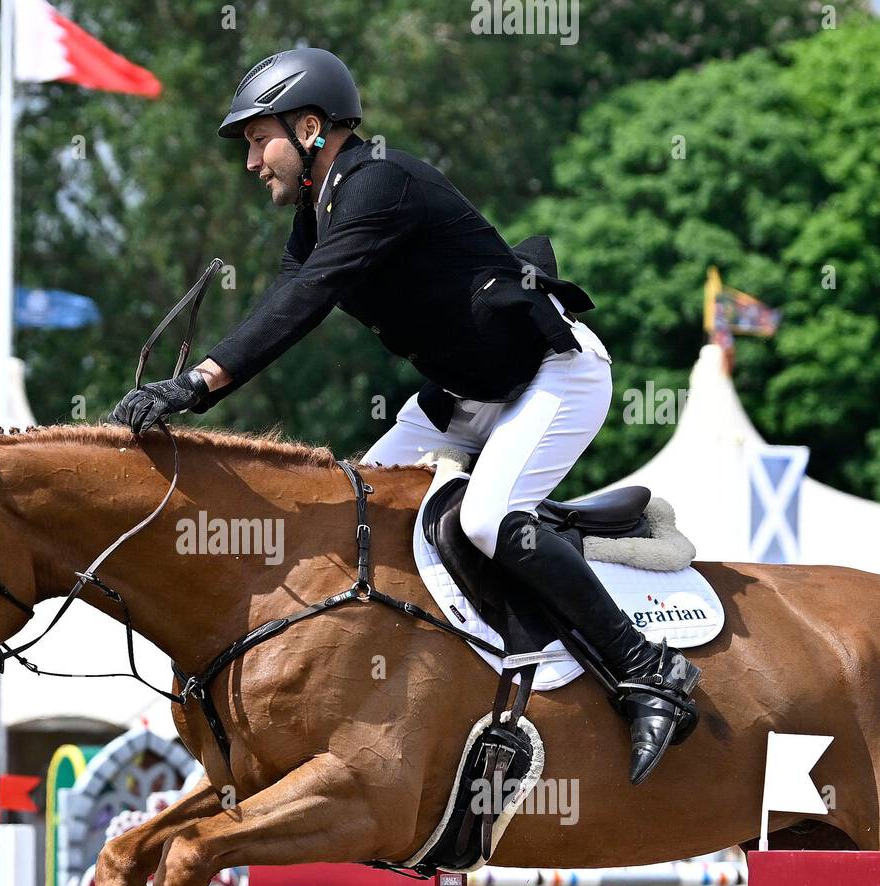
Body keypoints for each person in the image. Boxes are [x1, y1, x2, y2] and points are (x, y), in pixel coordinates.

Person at [109, 48, 699, 784]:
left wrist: (195, 385)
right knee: (352, 504)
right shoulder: (315, 217)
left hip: (556, 375)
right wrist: (194, 385)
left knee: (487, 520)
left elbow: (308, 302)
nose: (253, 161)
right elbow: (280, 301)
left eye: (260, 140)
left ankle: (651, 673)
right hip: (463, 400)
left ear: (312, 127)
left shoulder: (378, 184)